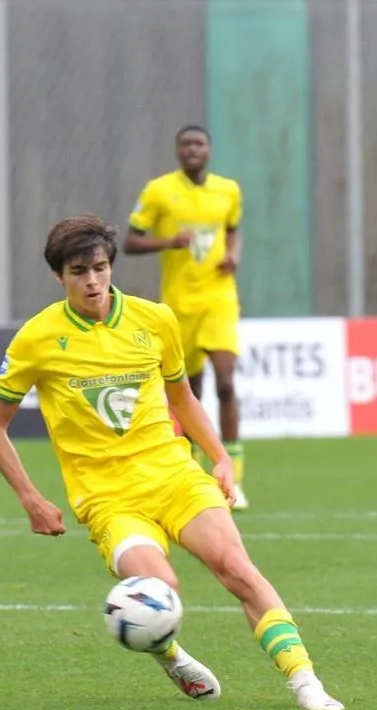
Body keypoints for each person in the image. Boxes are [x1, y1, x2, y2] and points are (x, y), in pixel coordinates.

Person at [0, 215, 342, 710]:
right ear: (59, 277)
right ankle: (169, 653)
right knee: (157, 592)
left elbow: (184, 399)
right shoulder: (37, 339)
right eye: (78, 271)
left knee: (235, 567)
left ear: (111, 267)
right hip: (108, 498)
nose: (92, 281)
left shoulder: (155, 320)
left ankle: (305, 681)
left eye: (100, 268)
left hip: (174, 476)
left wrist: (220, 459)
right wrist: (31, 498)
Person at [122, 125, 248, 509]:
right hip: (177, 308)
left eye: (199, 143)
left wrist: (234, 255)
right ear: (178, 152)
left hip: (218, 300)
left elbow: (234, 229)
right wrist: (168, 241)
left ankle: (235, 479)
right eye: (186, 144)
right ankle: (193, 473)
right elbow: (128, 241)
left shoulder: (228, 190)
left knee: (226, 382)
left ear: (209, 150)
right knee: (186, 393)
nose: (193, 150)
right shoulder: (159, 191)